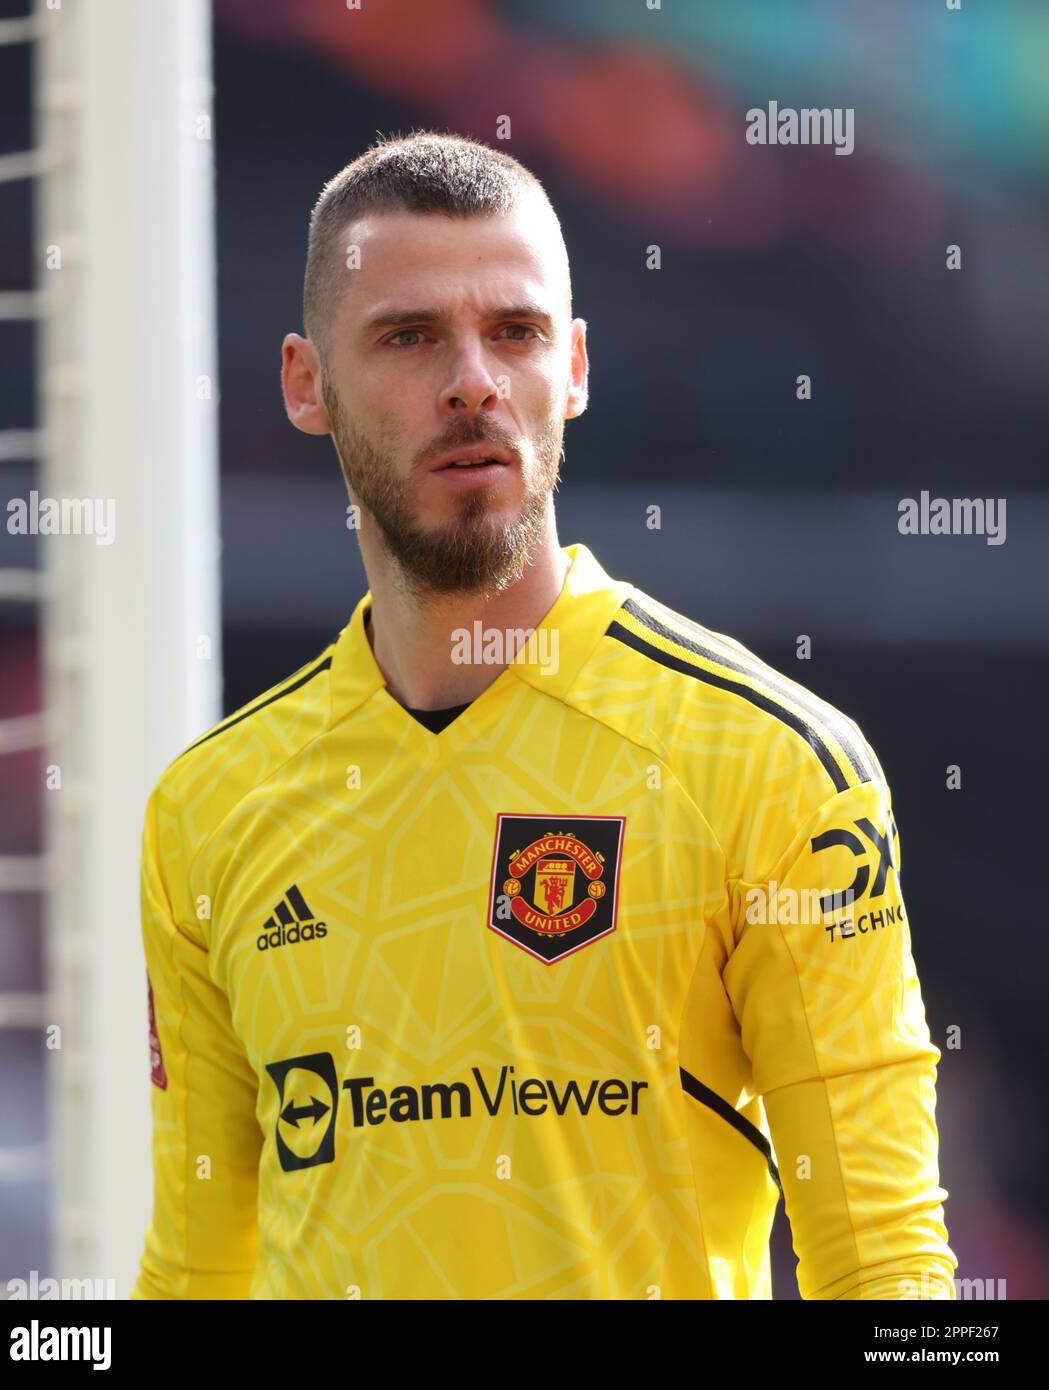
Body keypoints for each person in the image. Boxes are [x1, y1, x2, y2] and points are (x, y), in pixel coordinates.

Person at [132, 129, 957, 1300]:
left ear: (572, 368)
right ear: (304, 383)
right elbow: (191, 1273)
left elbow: (886, 1273)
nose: (472, 381)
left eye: (512, 333)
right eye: (411, 336)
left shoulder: (770, 763)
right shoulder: (207, 811)